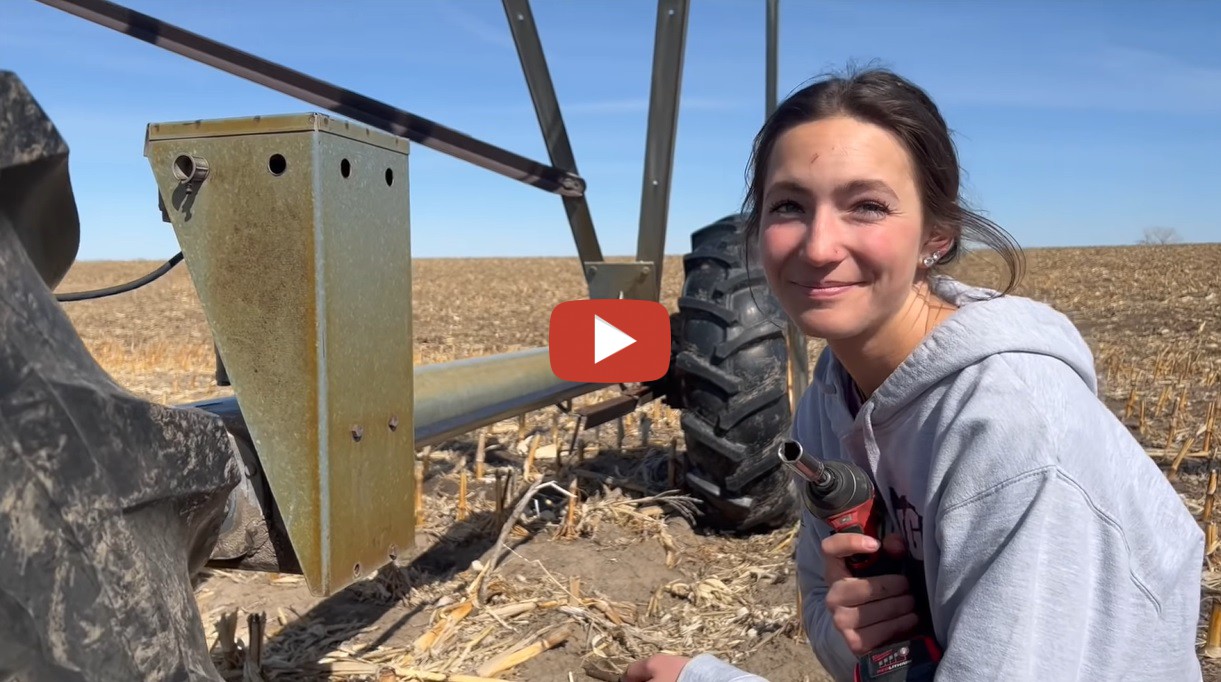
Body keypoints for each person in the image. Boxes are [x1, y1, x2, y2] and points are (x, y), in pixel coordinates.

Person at [623, 66, 1206, 681]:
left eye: (867, 206)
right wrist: (856, 633)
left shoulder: (1011, 425)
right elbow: (830, 615)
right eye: (789, 205)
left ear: (936, 234)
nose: (818, 246)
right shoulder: (833, 396)